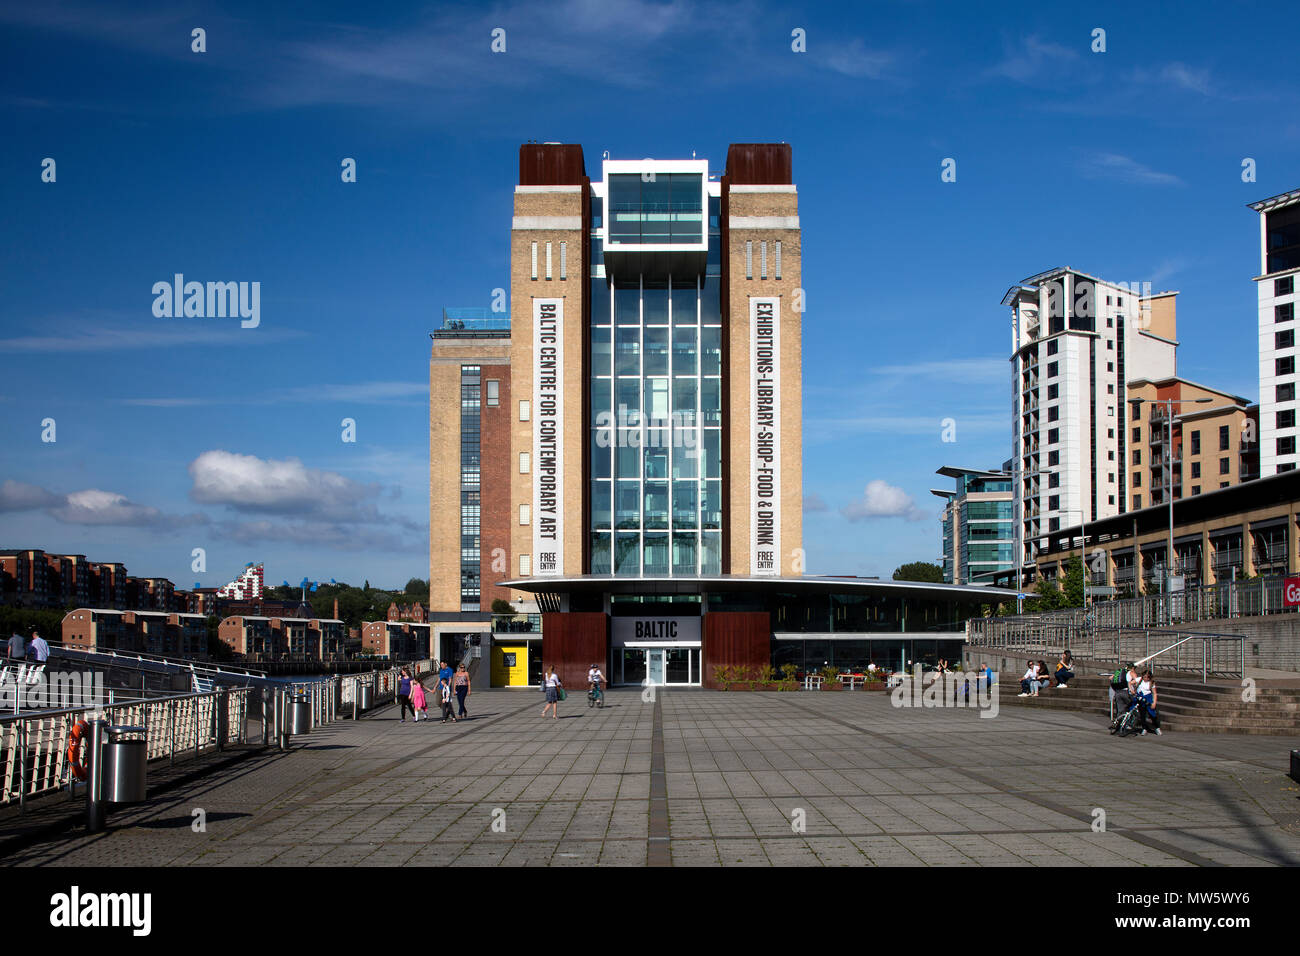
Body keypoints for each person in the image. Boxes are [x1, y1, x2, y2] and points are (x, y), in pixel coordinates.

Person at [1136, 670, 1162, 736]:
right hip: (1141, 698)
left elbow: (1154, 693)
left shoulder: (1151, 683)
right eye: (1144, 677)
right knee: (1142, 715)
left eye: (1147, 677)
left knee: (1152, 715)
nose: (1145, 679)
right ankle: (1144, 729)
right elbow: (1130, 682)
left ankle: (1157, 728)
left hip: (1148, 699)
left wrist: (1154, 703)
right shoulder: (1140, 680)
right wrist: (1132, 690)